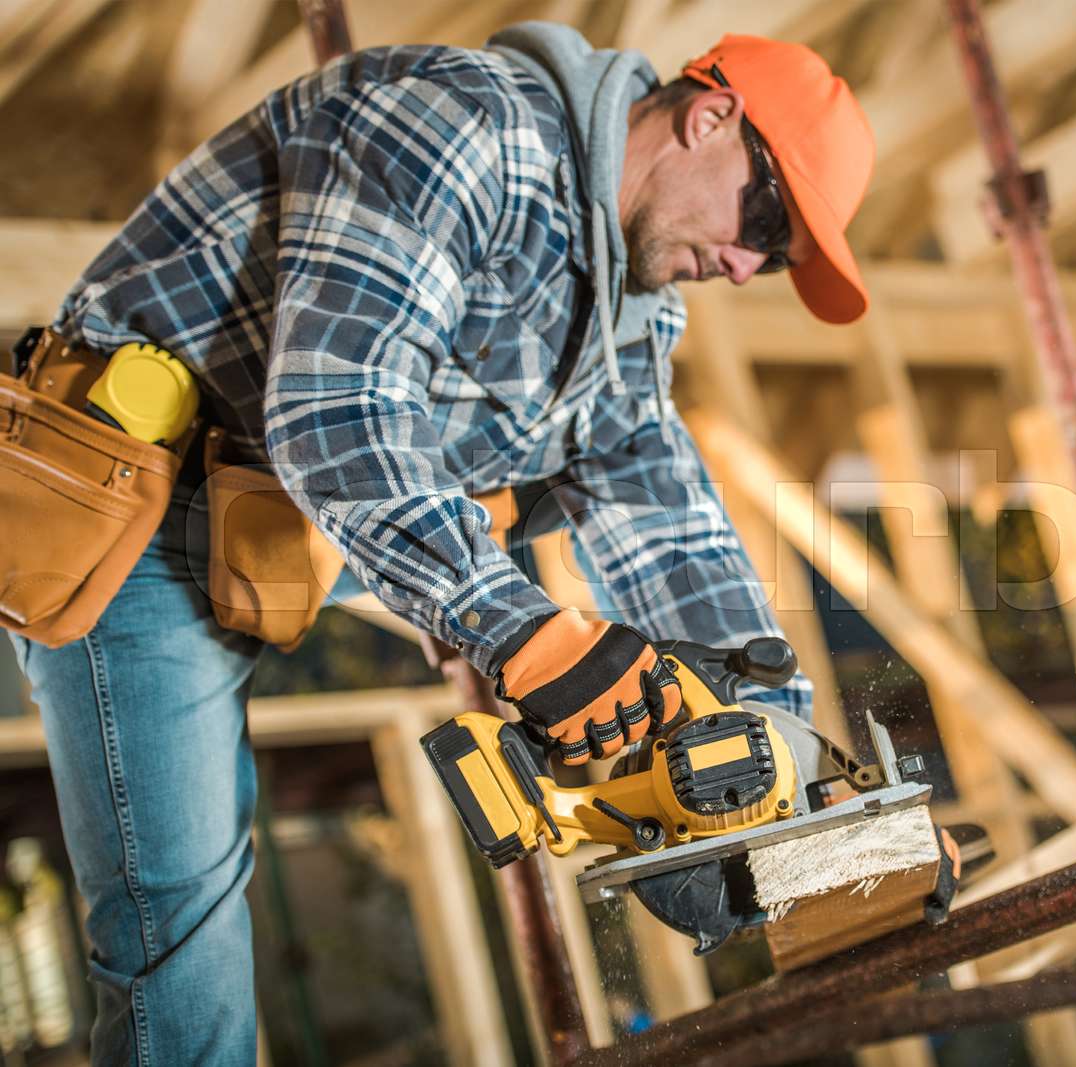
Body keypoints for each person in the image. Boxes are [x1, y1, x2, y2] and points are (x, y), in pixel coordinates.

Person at [7, 22, 873, 1065]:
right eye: (765, 220)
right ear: (709, 115)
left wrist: (785, 755)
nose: (745, 264)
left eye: (775, 261)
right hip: (134, 509)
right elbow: (340, 410)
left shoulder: (632, 316)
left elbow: (666, 521)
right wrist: (515, 627)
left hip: (289, 528)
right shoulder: (458, 121)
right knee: (179, 922)